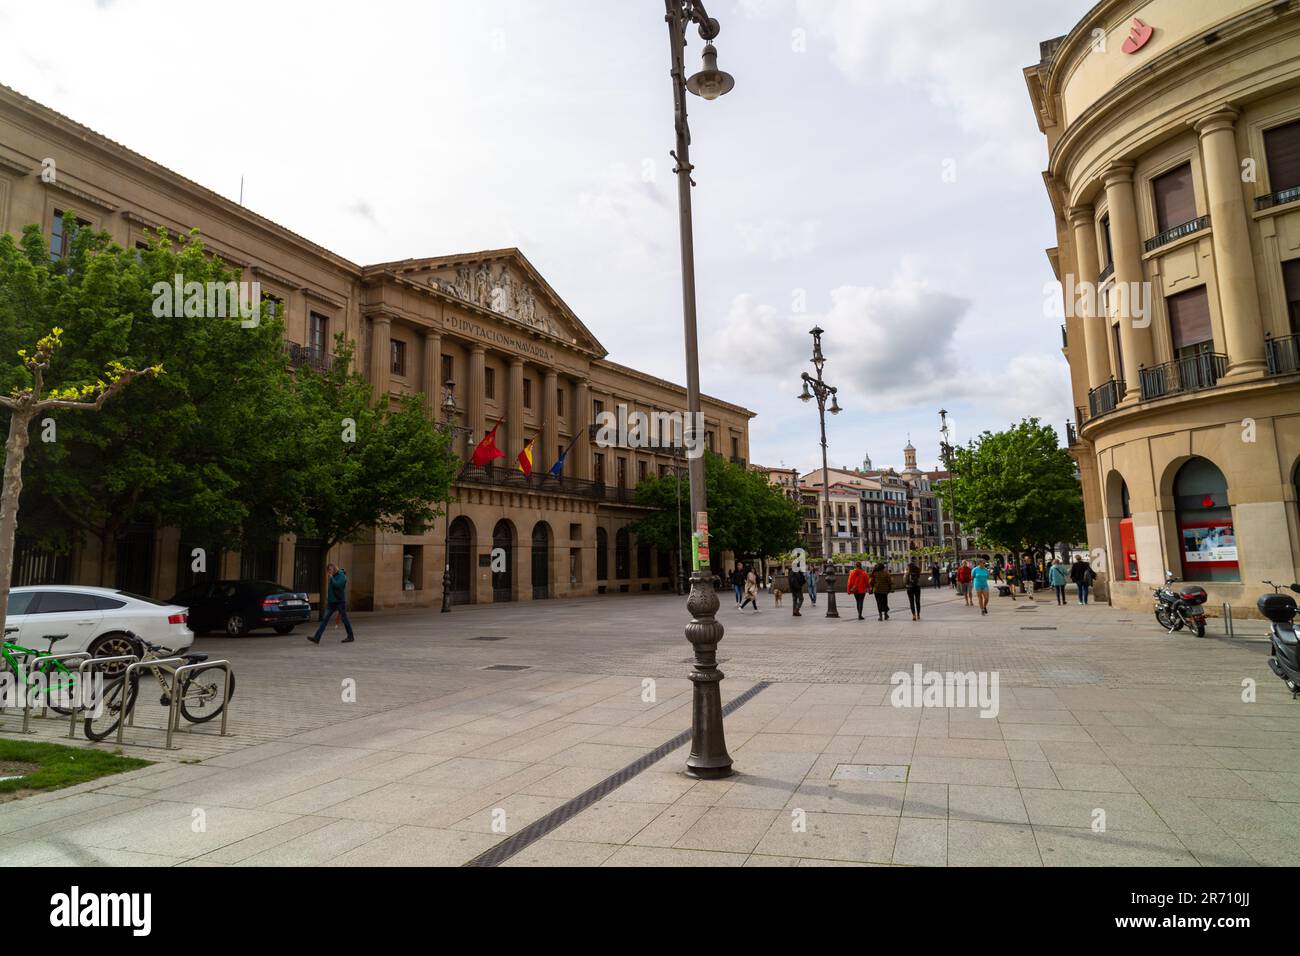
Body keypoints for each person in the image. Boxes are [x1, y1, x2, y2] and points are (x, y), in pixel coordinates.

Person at [310, 563, 355, 643]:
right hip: (331, 603)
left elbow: (338, 585)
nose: (329, 572)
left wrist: (331, 578)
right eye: (328, 570)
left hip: (340, 602)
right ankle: (317, 638)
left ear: (334, 569)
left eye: (330, 570)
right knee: (324, 619)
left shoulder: (341, 576)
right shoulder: (333, 576)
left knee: (345, 619)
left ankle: (350, 636)